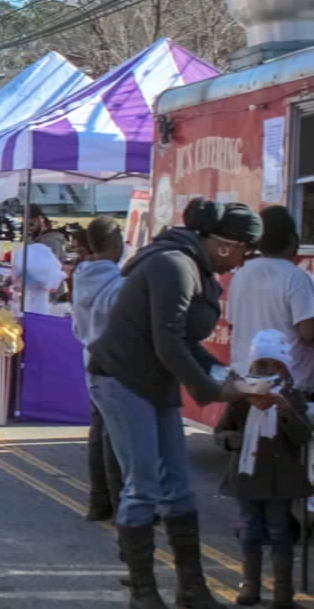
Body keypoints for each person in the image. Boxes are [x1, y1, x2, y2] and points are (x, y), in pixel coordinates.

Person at [89, 199, 262, 609]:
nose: (242, 261)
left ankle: (191, 588)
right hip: (122, 378)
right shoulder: (173, 265)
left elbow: (186, 344)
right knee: (144, 486)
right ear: (223, 244)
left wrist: (228, 377)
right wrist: (217, 391)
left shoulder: (194, 266)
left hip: (154, 379)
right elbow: (168, 341)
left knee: (179, 488)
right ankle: (144, 593)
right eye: (244, 250)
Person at [213, 330, 310, 609]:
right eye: (261, 366)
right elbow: (221, 433)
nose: (267, 372)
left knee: (280, 532)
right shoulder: (241, 398)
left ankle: (283, 592)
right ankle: (250, 586)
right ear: (252, 367)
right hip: (247, 477)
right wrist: (234, 440)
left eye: (274, 366)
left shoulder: (294, 396)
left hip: (280, 481)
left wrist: (287, 412)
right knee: (250, 531)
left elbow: (302, 436)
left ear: (285, 369)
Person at [71, 216, 125, 522]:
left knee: (99, 431)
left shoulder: (81, 277)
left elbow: (78, 327)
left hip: (90, 357)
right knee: (115, 435)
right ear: (116, 244)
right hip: (116, 365)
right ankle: (120, 502)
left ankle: (99, 500)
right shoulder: (119, 284)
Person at [227, 205, 314, 389]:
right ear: (293, 240)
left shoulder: (241, 275)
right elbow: (309, 333)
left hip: (245, 383)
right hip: (288, 389)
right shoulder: (296, 277)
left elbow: (233, 324)